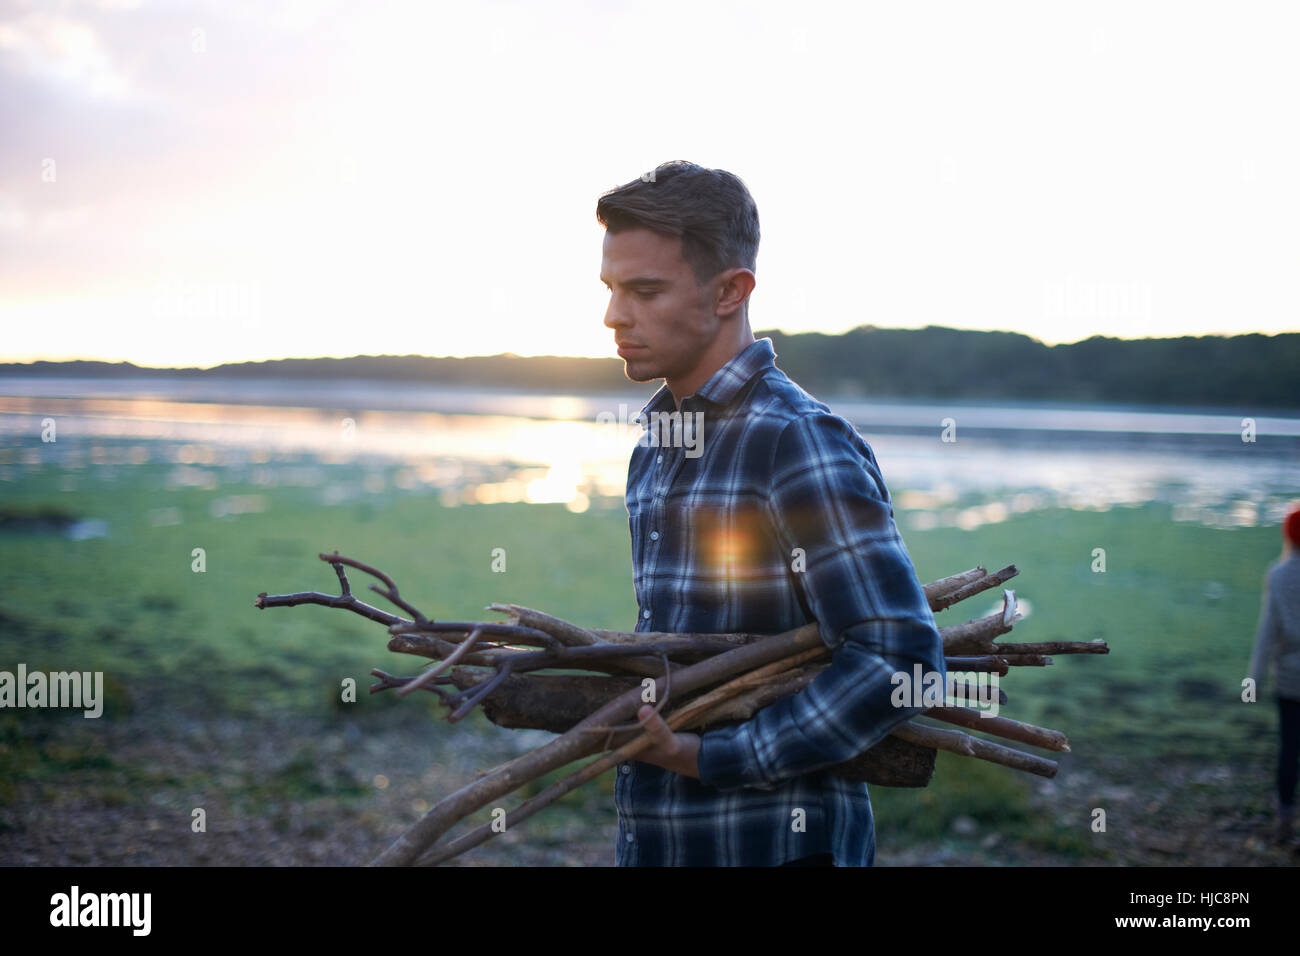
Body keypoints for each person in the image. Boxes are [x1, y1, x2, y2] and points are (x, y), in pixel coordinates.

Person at [595, 160, 946, 866]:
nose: (614, 316)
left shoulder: (796, 440)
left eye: (645, 290)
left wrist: (712, 756)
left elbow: (901, 661)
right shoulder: (655, 448)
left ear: (731, 291)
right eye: (611, 290)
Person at [1247, 503, 1300, 848]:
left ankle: (1284, 820)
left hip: (1290, 679)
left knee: (1289, 749)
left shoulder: (1278, 575)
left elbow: (1267, 633)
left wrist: (1254, 678)